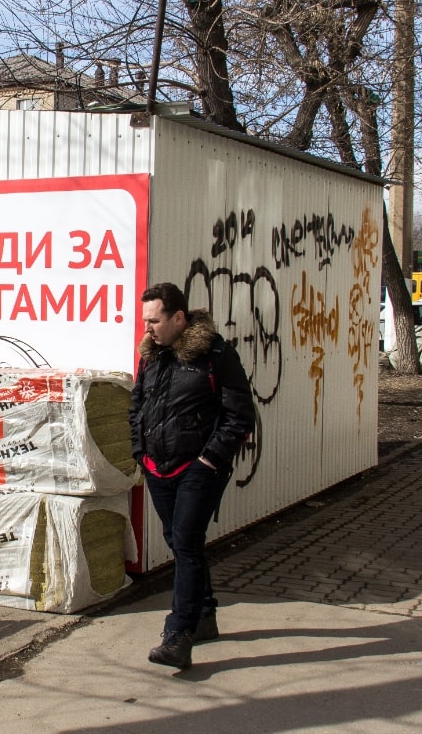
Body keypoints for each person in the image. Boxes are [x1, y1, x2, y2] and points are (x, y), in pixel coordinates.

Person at [129, 282, 256, 670]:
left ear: (179, 317)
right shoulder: (151, 356)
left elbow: (240, 416)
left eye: (155, 320)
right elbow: (138, 404)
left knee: (184, 541)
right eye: (145, 321)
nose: (147, 329)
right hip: (157, 466)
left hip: (199, 467)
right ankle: (204, 615)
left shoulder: (215, 353)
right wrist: (140, 449)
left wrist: (209, 460)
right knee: (179, 539)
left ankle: (178, 633)